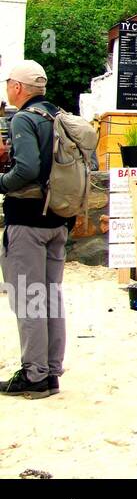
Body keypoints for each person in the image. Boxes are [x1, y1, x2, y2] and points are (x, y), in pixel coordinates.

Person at [0, 61, 72, 398]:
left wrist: (2, 182)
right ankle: (52, 371)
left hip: (27, 222)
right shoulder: (59, 116)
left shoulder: (24, 119)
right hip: (57, 220)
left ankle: (35, 376)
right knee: (51, 297)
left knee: (29, 299)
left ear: (17, 87)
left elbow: (26, 168)